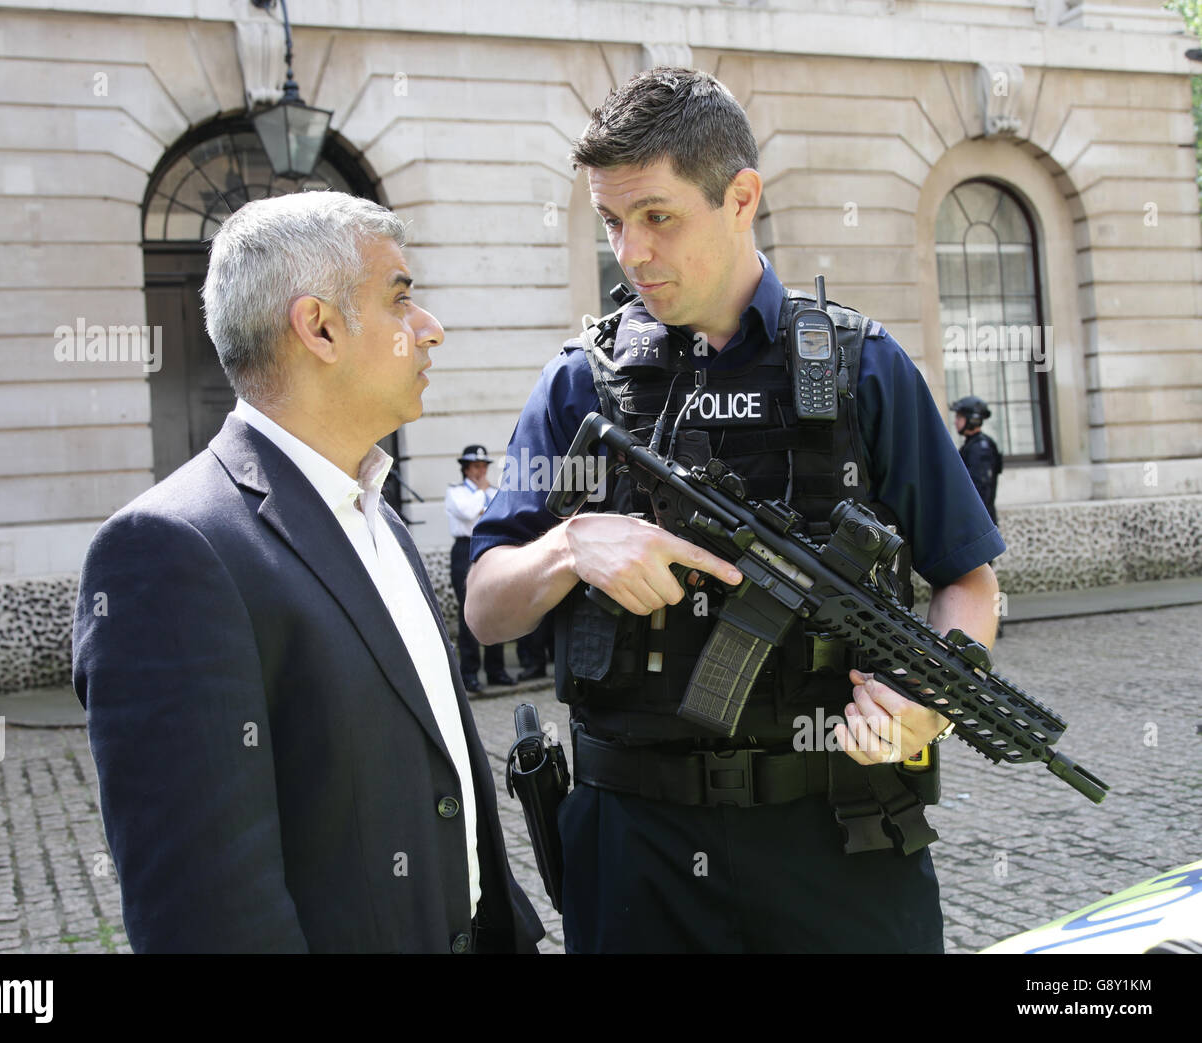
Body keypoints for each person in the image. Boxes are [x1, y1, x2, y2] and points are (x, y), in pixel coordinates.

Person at [466, 68, 1003, 953]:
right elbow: (486, 604)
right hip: (635, 847)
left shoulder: (864, 368)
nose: (630, 252)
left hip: (840, 838)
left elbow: (968, 580)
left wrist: (931, 694)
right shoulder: (577, 384)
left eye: (657, 216)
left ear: (741, 195)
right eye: (611, 221)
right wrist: (567, 546)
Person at [72, 192, 541, 953]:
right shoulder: (168, 552)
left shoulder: (377, 515)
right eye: (401, 299)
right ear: (318, 327)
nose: (430, 328)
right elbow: (209, 921)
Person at [445, 446, 517, 692]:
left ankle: (496, 670)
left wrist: (486, 495)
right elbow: (466, 512)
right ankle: (469, 673)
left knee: (496, 608)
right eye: (476, 466)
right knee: (469, 612)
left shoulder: (494, 491)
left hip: (491, 548)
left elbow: (504, 515)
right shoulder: (456, 492)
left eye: (484, 466)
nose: (480, 471)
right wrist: (482, 492)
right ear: (466, 468)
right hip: (465, 550)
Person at [951, 395, 1004, 523]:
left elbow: (978, 489)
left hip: (979, 522)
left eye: (959, 417)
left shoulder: (980, 448)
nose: (955, 422)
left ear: (972, 420)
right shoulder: (972, 445)